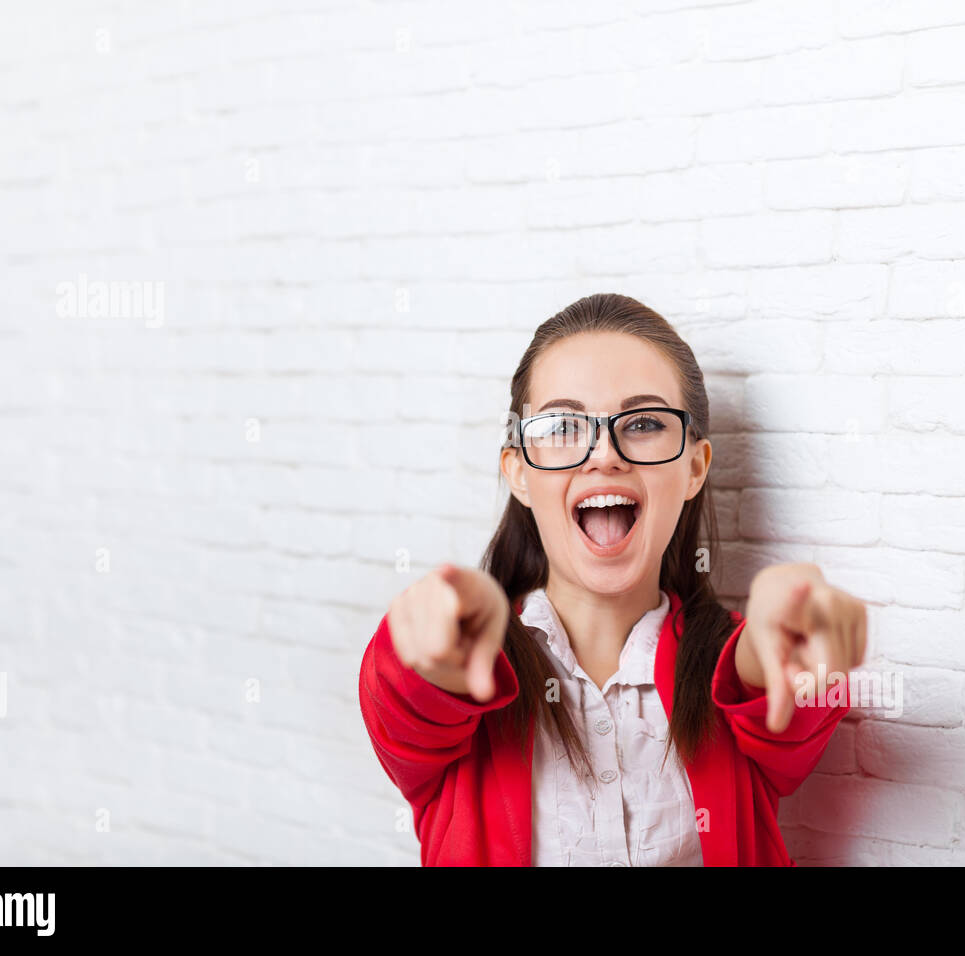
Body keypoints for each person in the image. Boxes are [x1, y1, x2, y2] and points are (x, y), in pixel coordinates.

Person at [359, 292, 868, 866]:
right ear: (518, 473)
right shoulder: (467, 676)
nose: (604, 455)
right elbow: (406, 693)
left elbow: (765, 683)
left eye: (644, 423)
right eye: (563, 425)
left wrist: (790, 636)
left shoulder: (735, 672)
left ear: (695, 467)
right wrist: (430, 641)